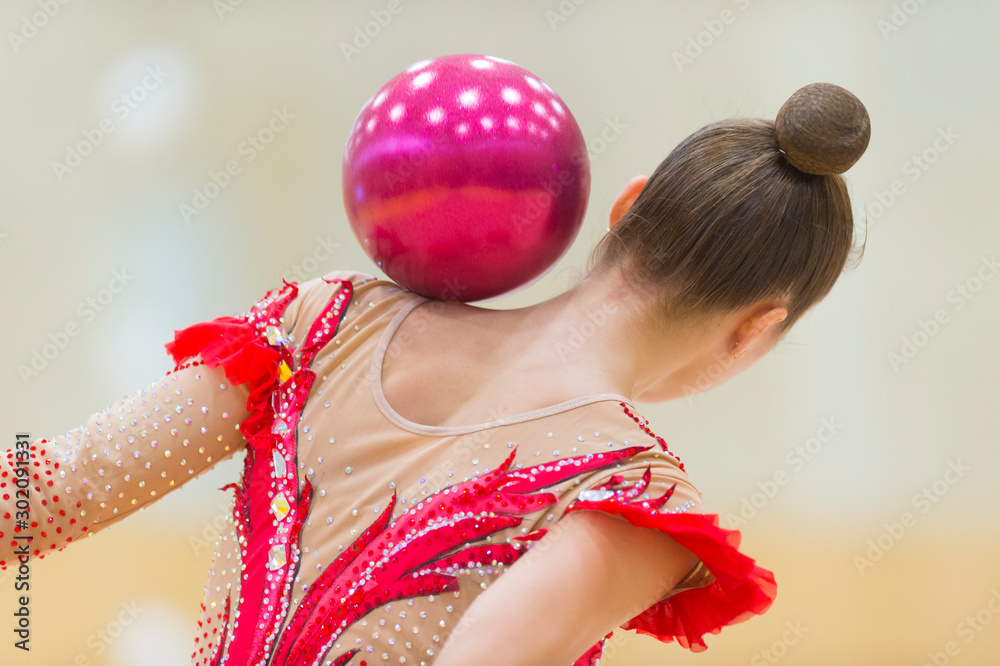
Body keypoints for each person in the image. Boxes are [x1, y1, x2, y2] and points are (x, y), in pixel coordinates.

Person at [2, 81, 869, 666]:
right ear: (758, 328)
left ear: (627, 205)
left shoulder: (325, 324)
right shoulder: (633, 497)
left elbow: (49, 489)